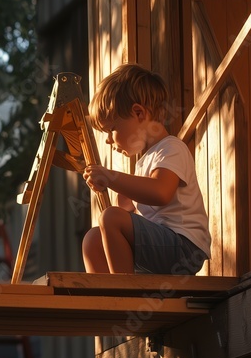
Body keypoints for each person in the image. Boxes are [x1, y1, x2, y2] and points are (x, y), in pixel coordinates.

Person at [81, 64, 210, 275]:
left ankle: (124, 293)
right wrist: (117, 191)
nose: (107, 140)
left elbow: (160, 193)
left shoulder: (171, 148)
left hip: (183, 248)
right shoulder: (143, 163)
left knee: (109, 218)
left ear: (139, 113)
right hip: (160, 246)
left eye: (111, 129)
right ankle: (105, 299)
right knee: (92, 239)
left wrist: (112, 178)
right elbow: (128, 213)